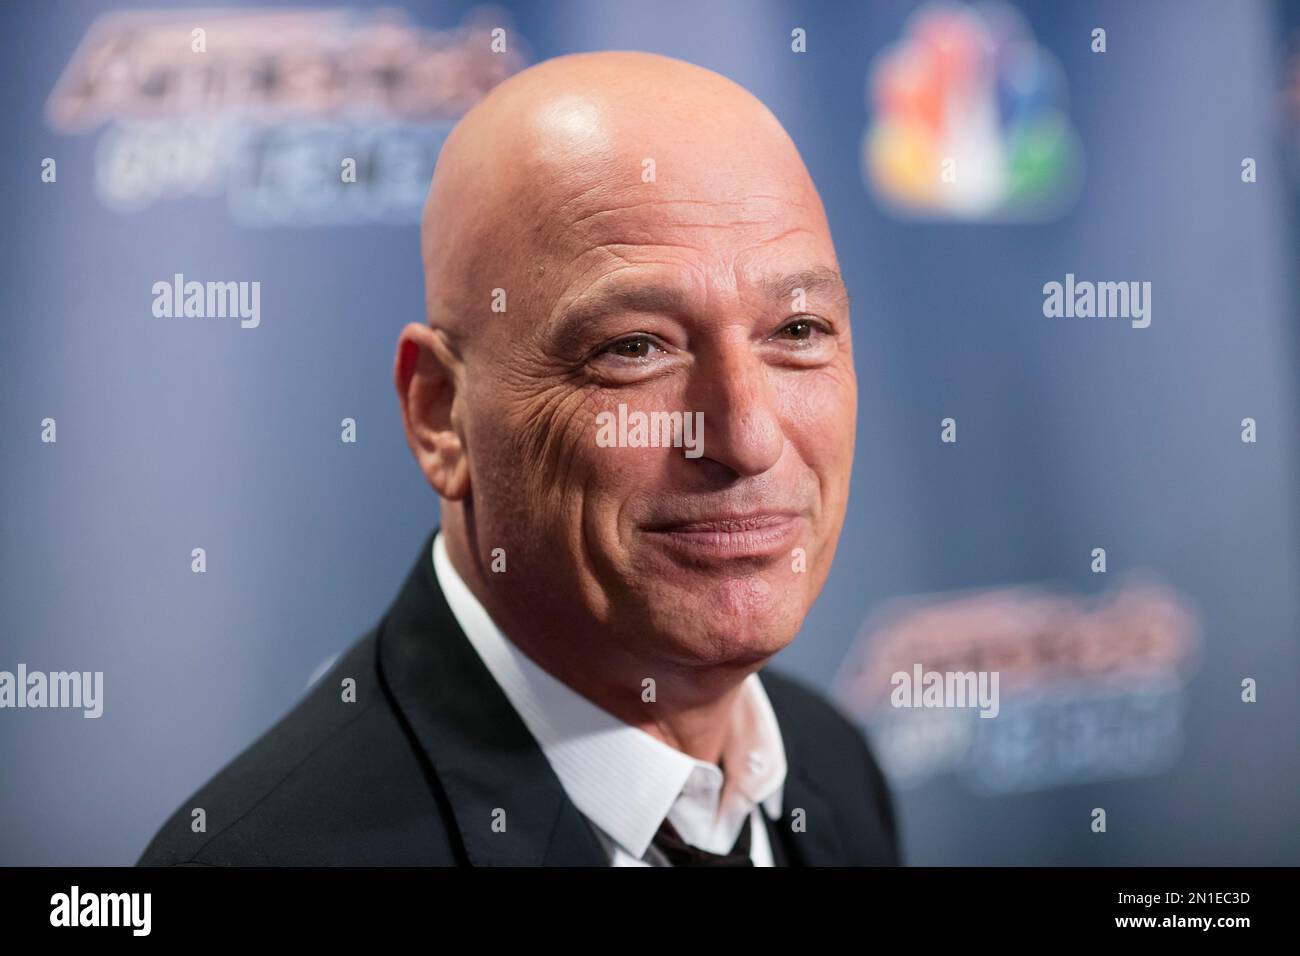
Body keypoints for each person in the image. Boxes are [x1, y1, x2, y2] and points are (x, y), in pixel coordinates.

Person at [138, 50, 900, 867]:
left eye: (797, 332)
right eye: (635, 347)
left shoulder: (832, 767)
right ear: (441, 415)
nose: (747, 439)